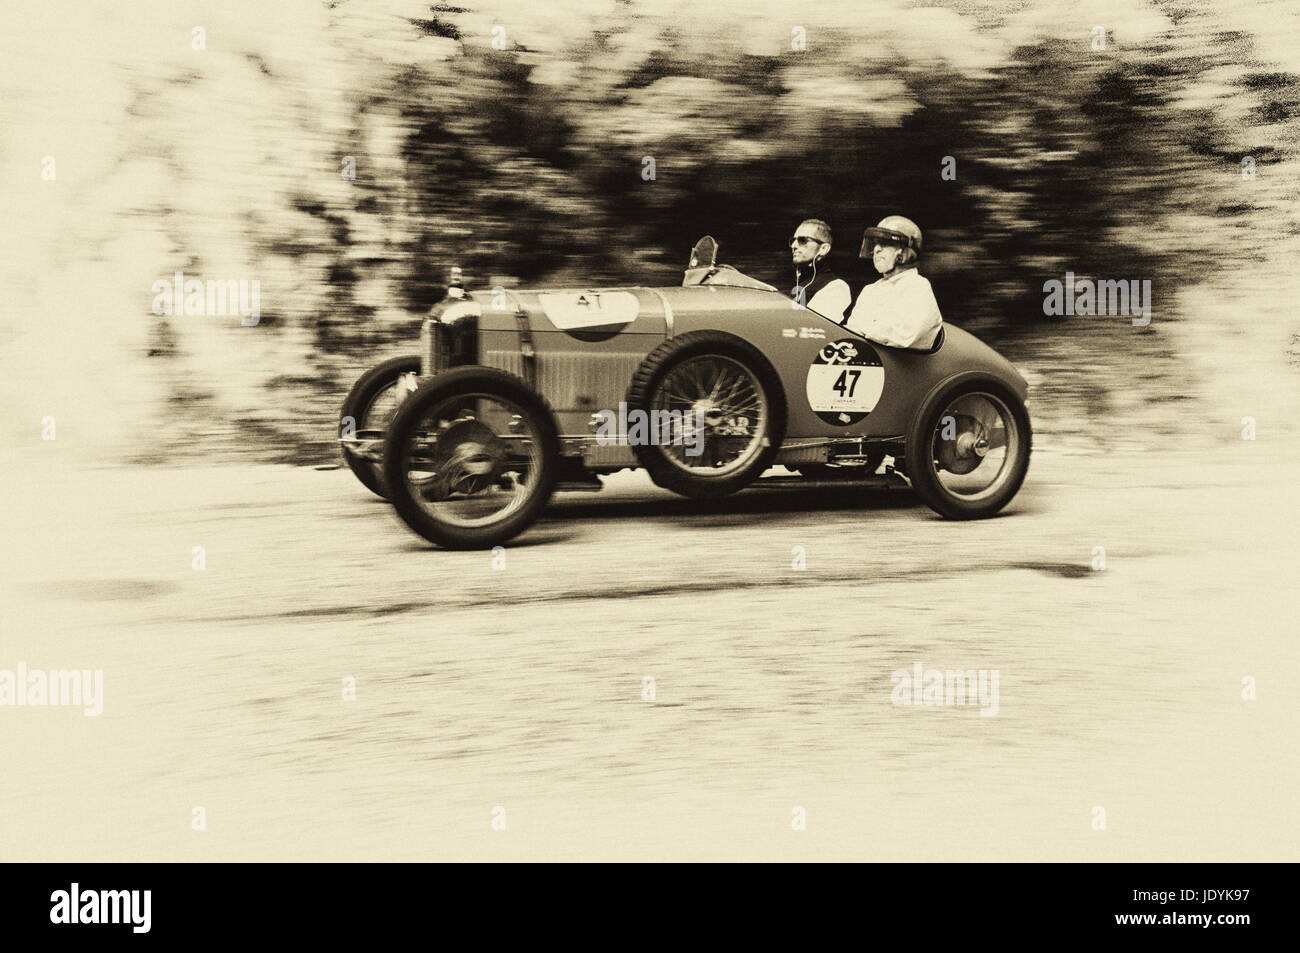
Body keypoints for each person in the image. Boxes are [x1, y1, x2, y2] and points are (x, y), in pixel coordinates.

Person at [844, 215, 943, 349]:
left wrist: (865, 329)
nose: (877, 249)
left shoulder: (917, 286)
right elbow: (852, 332)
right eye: (875, 244)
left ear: (904, 252)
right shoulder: (870, 289)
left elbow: (906, 336)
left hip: (904, 366)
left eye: (885, 244)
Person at [788, 219, 851, 322]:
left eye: (802, 240)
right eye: (792, 241)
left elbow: (816, 328)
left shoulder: (835, 287)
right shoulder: (800, 284)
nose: (794, 246)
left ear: (823, 249)